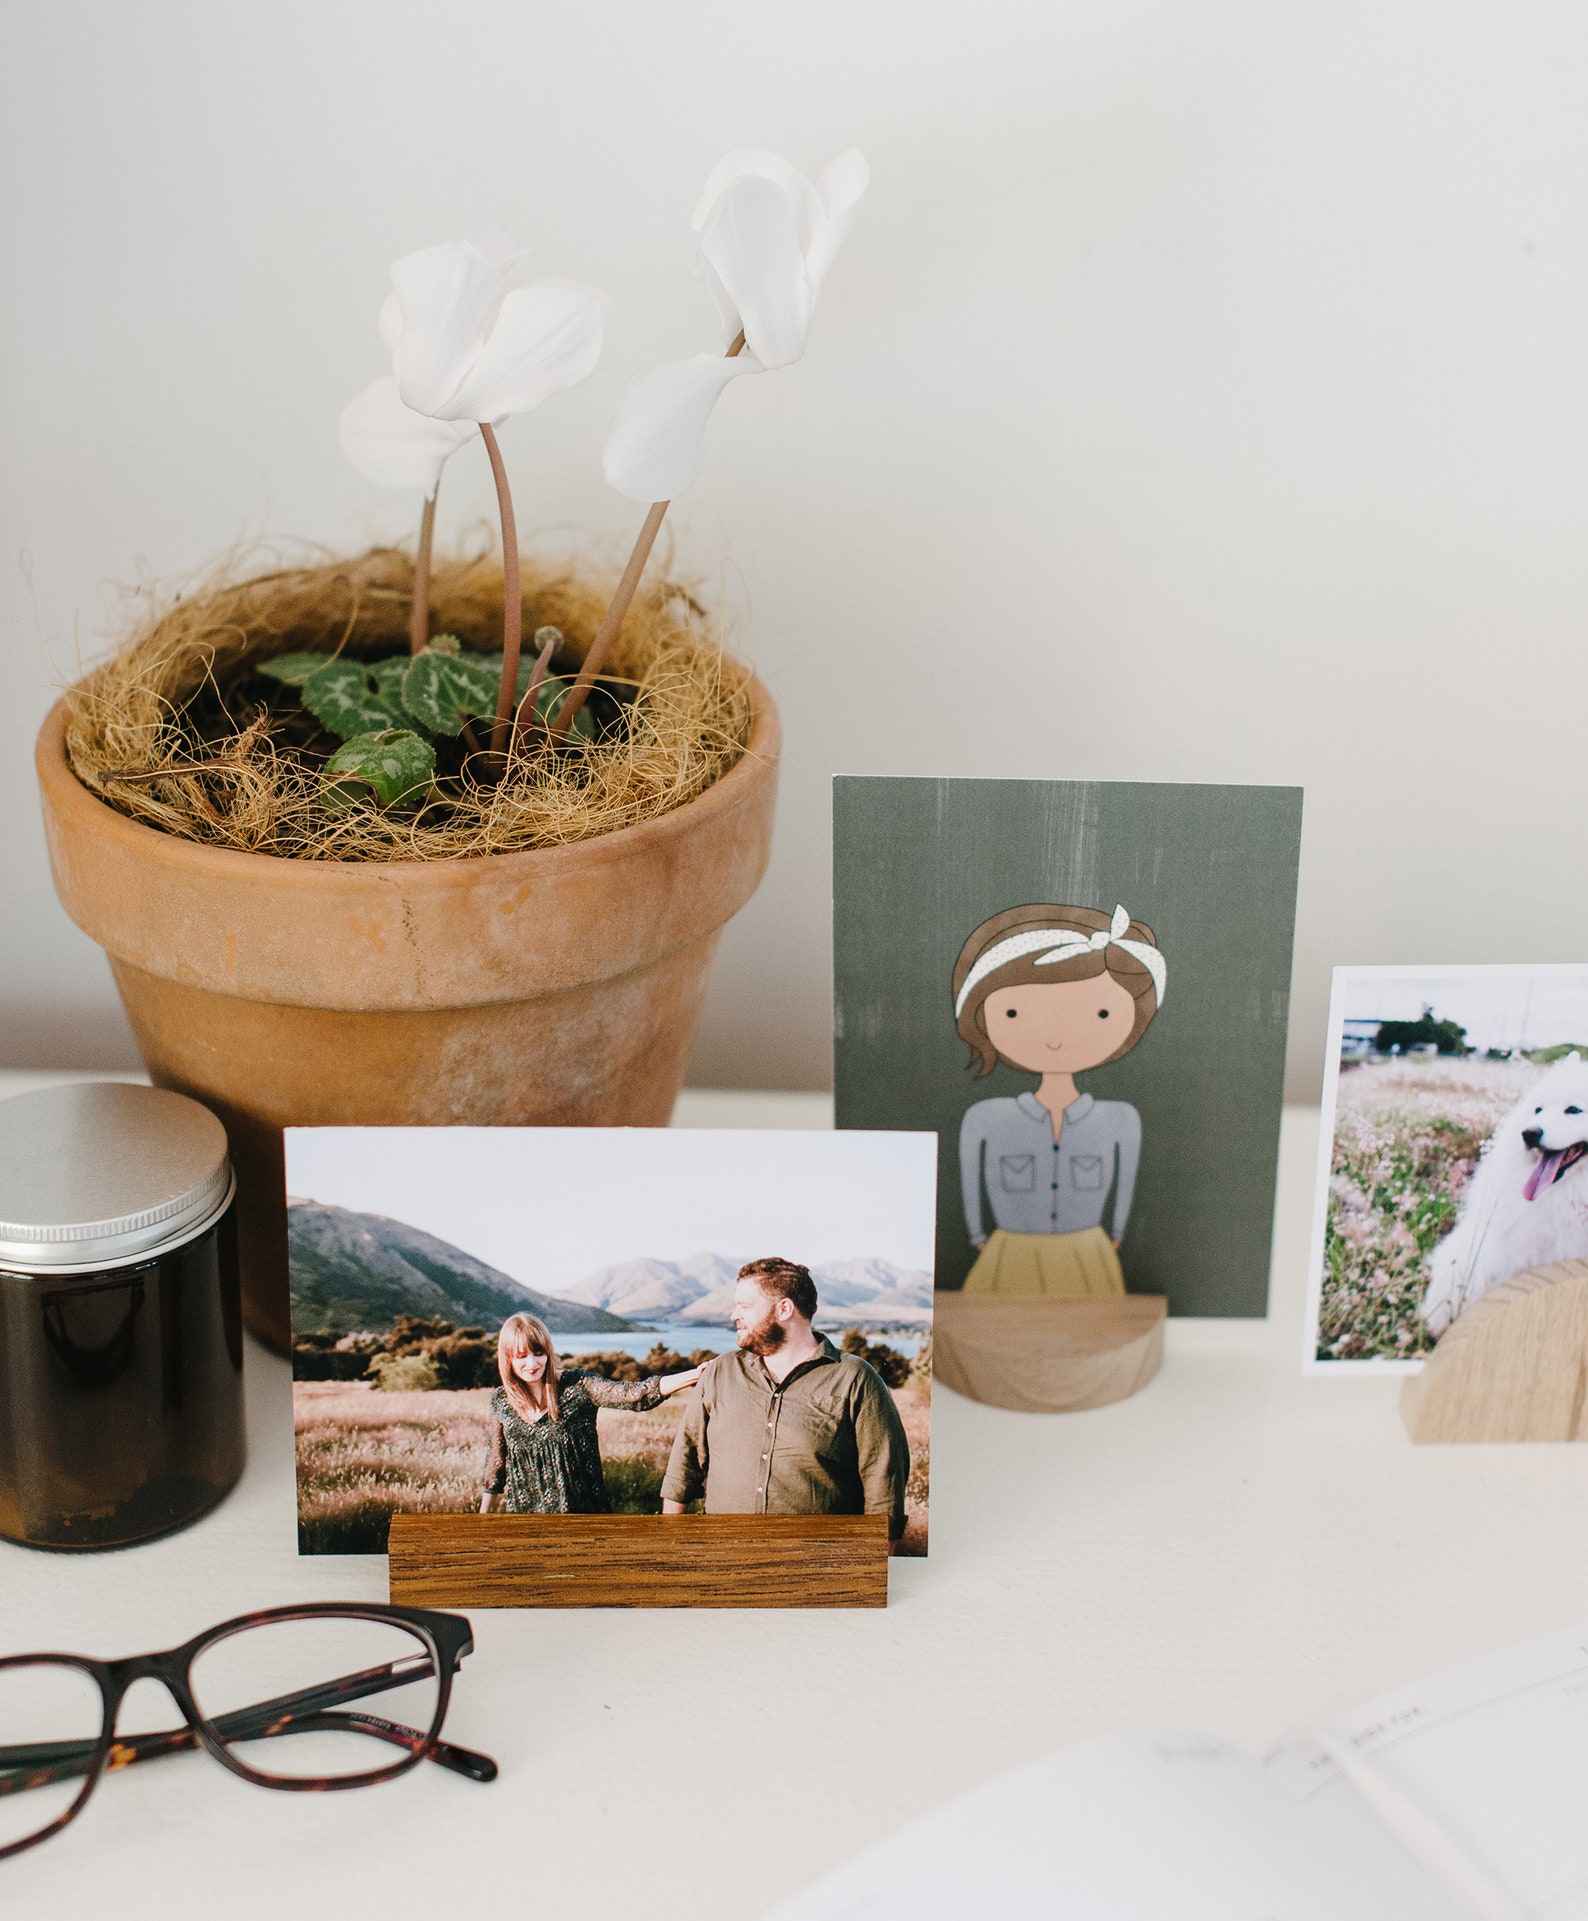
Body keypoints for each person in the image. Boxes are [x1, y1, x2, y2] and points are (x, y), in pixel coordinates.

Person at [953, 902, 1167, 1298]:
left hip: (1086, 1250)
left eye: (1101, 1013)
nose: (1055, 1037)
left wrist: (1117, 1231)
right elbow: (970, 1180)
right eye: (1014, 1012)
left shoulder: (1120, 1119)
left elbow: (1125, 1181)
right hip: (1011, 1251)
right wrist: (977, 1234)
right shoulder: (985, 1117)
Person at [660, 1257, 910, 1546]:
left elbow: (884, 1487)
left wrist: (873, 1576)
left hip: (816, 1568)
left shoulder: (855, 1379)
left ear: (784, 1308)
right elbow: (683, 1466)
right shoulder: (721, 1372)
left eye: (744, 1306)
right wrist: (671, 1547)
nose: (733, 1315)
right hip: (725, 1558)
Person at [479, 1312, 702, 1515]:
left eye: (539, 1353)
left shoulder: (578, 1385)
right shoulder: (501, 1401)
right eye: (521, 1356)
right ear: (507, 1358)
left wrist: (695, 1375)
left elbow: (635, 1395)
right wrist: (482, 1521)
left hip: (585, 1519)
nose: (532, 1363)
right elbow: (495, 1466)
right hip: (525, 1524)